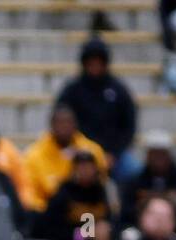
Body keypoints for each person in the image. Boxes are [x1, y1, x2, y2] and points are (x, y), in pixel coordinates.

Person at [55, 38, 138, 183]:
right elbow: (60, 120)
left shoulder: (118, 90)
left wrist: (114, 154)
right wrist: (80, 149)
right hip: (80, 152)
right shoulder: (72, 90)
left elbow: (129, 126)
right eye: (91, 62)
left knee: (133, 171)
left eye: (99, 62)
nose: (95, 66)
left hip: (113, 153)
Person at [36, 148, 112, 240]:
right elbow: (49, 230)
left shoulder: (101, 192)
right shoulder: (63, 193)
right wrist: (85, 235)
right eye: (81, 166)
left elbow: (109, 219)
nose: (85, 171)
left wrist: (106, 232)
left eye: (89, 166)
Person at [118, 129, 176, 240]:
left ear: (169, 154)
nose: (158, 158)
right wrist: (149, 221)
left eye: (161, 153)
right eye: (154, 153)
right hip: (140, 233)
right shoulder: (133, 183)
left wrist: (166, 221)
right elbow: (126, 211)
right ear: (147, 155)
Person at [20, 104, 107, 213]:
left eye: (68, 122)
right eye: (60, 123)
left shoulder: (92, 152)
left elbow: (101, 188)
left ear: (76, 124)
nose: (64, 126)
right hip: (49, 216)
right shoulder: (33, 155)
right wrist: (48, 212)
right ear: (51, 125)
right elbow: (30, 196)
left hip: (84, 212)